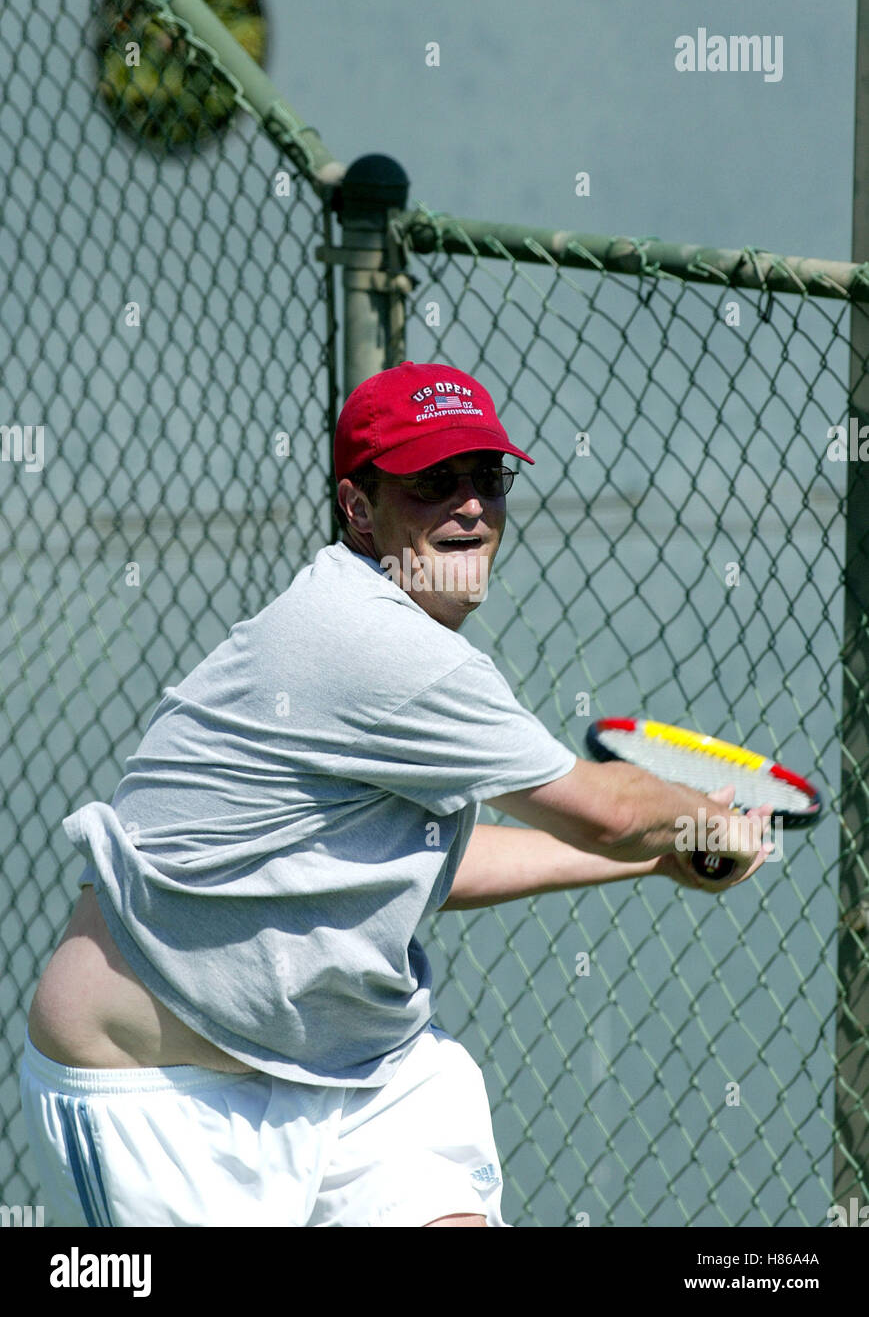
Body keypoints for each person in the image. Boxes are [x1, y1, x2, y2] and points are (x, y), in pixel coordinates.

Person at [20, 361, 771, 1228]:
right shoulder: (373, 642)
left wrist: (653, 857)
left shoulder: (399, 639)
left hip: (361, 1074)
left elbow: (425, 867)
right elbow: (605, 807)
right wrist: (709, 817)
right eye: (431, 482)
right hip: (160, 1097)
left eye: (486, 479)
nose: (469, 507)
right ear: (358, 509)